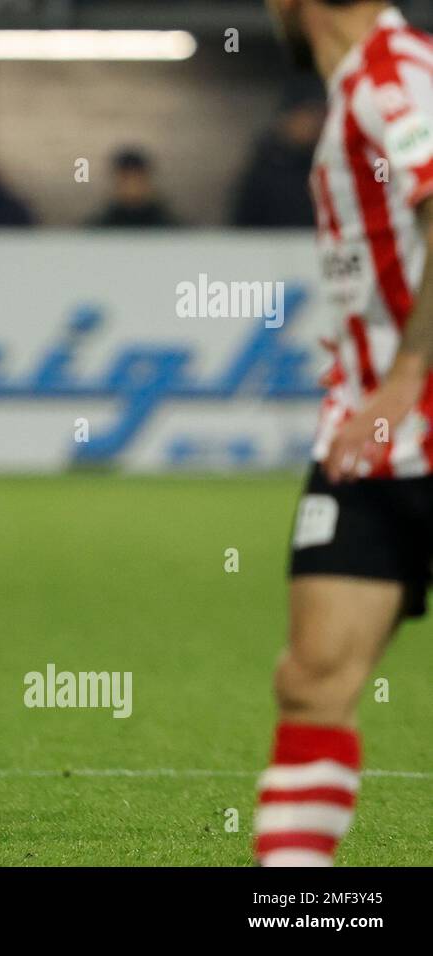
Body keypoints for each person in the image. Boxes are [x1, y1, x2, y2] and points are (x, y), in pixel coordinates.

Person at [257, 0, 433, 866]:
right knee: (312, 679)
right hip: (371, 450)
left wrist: (406, 375)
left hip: (412, 418)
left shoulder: (395, 77)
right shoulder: (360, 86)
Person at [232, 83, 327, 227]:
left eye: (319, 115)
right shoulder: (264, 171)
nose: (313, 124)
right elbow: (243, 223)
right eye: (307, 114)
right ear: (286, 118)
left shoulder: (326, 165)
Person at [85, 147, 179, 228]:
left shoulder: (168, 228)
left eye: (137, 179)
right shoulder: (99, 228)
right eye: (126, 179)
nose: (131, 186)